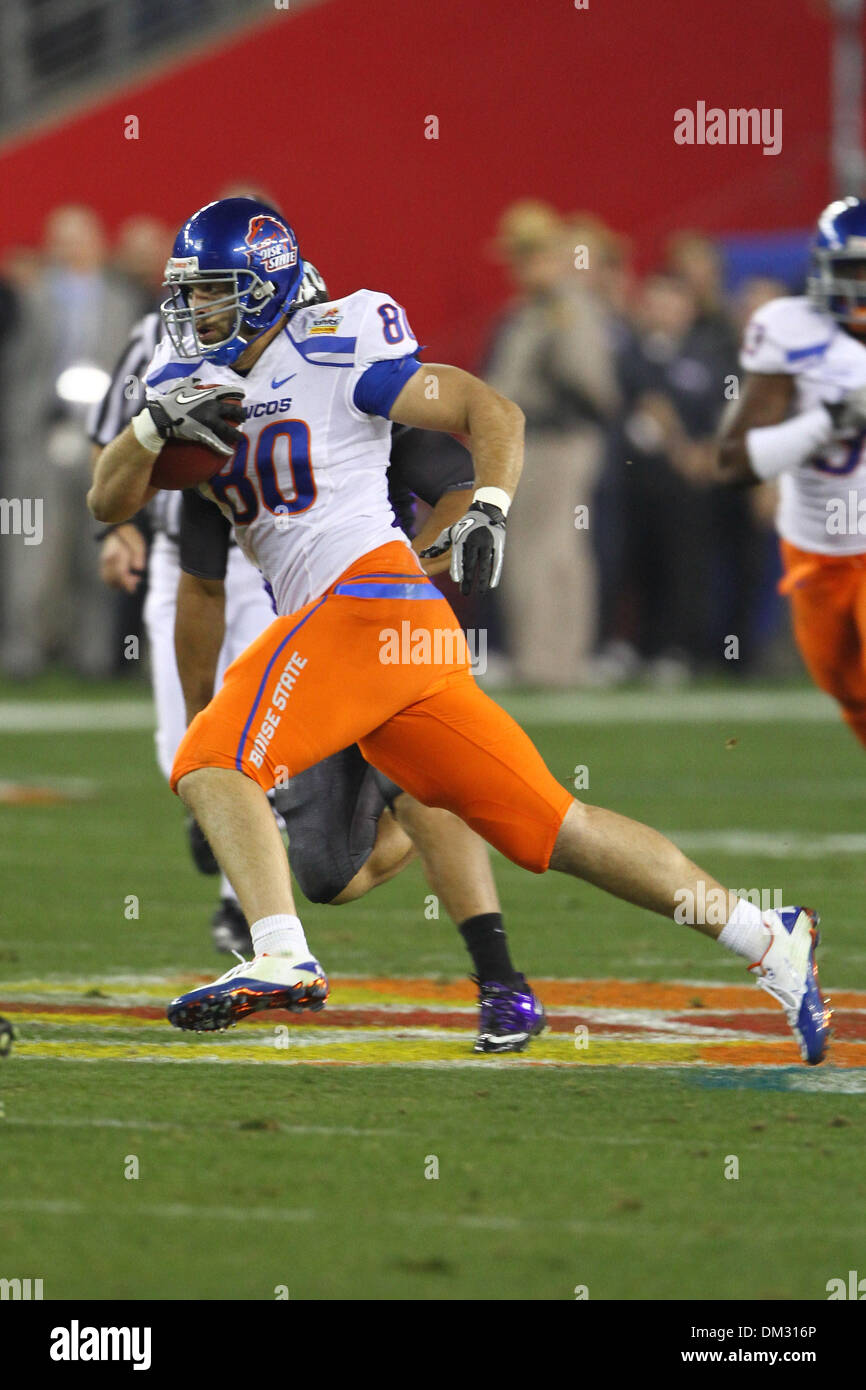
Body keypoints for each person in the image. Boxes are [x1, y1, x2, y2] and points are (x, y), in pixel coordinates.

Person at [88, 196, 830, 1065]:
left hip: (369, 599)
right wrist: (149, 426)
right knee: (558, 829)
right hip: (387, 637)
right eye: (189, 295)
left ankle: (281, 956)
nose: (194, 313)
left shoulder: (332, 343)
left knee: (211, 760)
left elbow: (492, 412)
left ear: (264, 286)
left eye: (212, 293)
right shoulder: (191, 386)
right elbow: (109, 499)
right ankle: (768, 937)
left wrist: (488, 506)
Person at [718, 196, 866, 749]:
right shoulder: (791, 328)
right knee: (849, 692)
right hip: (816, 552)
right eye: (858, 270)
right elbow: (733, 464)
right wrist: (829, 420)